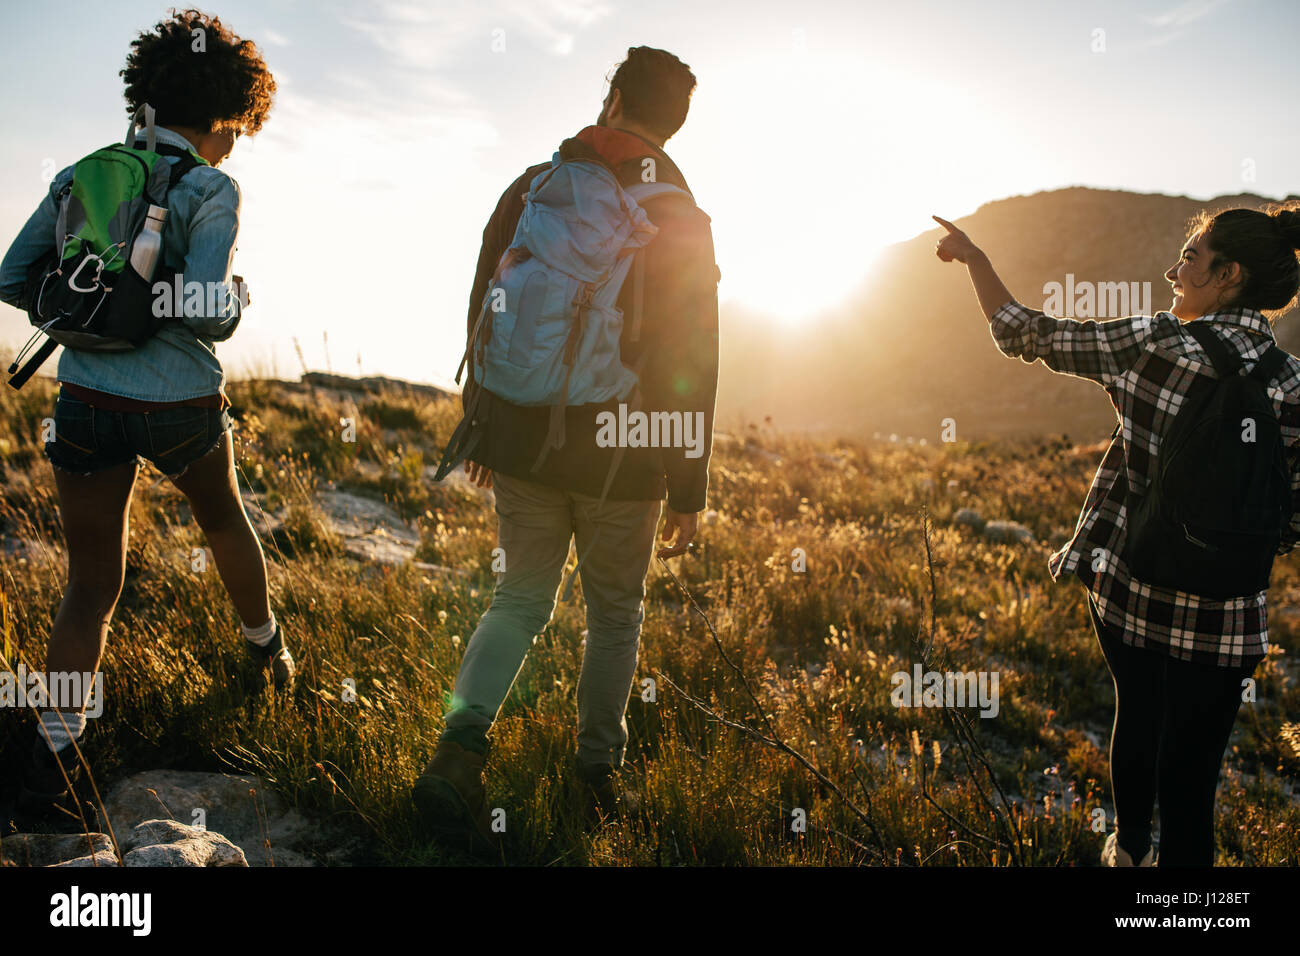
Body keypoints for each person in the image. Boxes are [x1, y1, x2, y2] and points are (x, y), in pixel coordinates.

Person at [412, 46, 720, 844]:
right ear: (675, 126)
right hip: (626, 454)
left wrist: (485, 423)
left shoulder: (532, 188)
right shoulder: (681, 217)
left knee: (517, 599)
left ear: (613, 100)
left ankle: (457, 750)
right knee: (614, 615)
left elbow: (485, 302)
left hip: (523, 440)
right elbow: (691, 363)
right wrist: (688, 488)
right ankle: (596, 774)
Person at [934, 202, 1300, 867]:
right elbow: (1292, 517)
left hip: (1135, 587)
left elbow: (1028, 334)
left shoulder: (1155, 342)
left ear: (1230, 274)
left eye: (1190, 257)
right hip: (1228, 614)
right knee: (1195, 782)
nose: (1173, 269)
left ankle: (1128, 848)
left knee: (1139, 712)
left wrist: (978, 262)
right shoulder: (1293, 383)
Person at [0, 9, 290, 819]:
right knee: (225, 521)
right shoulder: (211, 184)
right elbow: (201, 305)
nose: (235, 144)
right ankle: (267, 653)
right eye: (236, 128)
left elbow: (13, 277)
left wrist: (91, 310)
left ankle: (51, 766)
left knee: (88, 585)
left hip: (84, 399)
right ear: (227, 116)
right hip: (179, 404)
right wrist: (230, 302)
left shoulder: (87, 172)